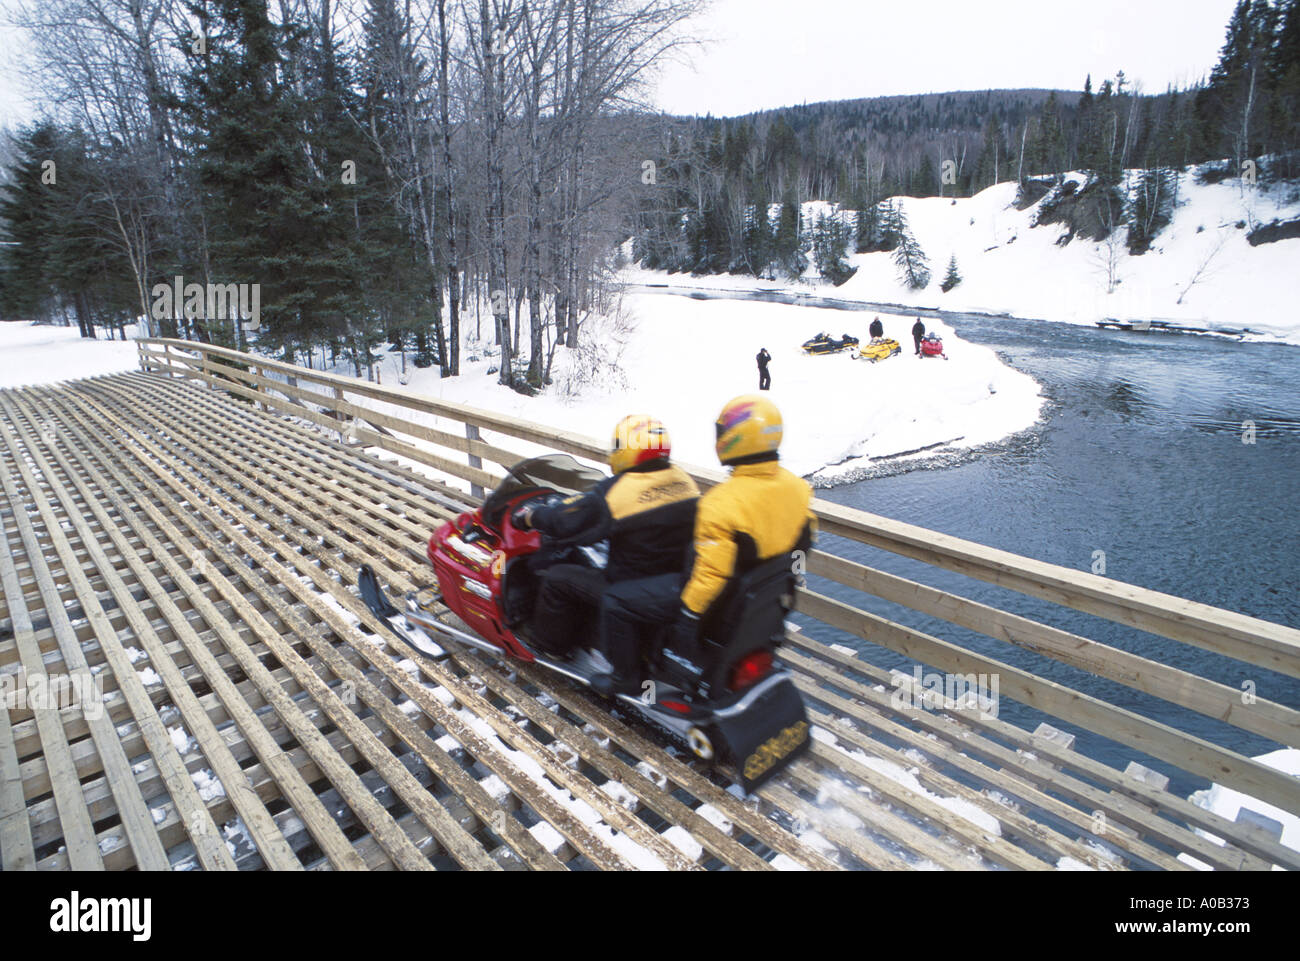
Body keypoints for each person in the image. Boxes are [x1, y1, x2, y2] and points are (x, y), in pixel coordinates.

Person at [594, 395, 816, 696]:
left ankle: (627, 677)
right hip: (757, 599)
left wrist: (688, 616)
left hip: (720, 603)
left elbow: (711, 575)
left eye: (722, 432)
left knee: (616, 599)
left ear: (736, 438)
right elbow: (806, 538)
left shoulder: (721, 503)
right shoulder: (797, 487)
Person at [514, 416, 699, 659]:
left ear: (627, 448)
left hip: (626, 585)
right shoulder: (683, 481)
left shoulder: (619, 490)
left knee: (558, 578)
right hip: (668, 583)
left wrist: (531, 516)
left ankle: (550, 646)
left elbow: (564, 520)